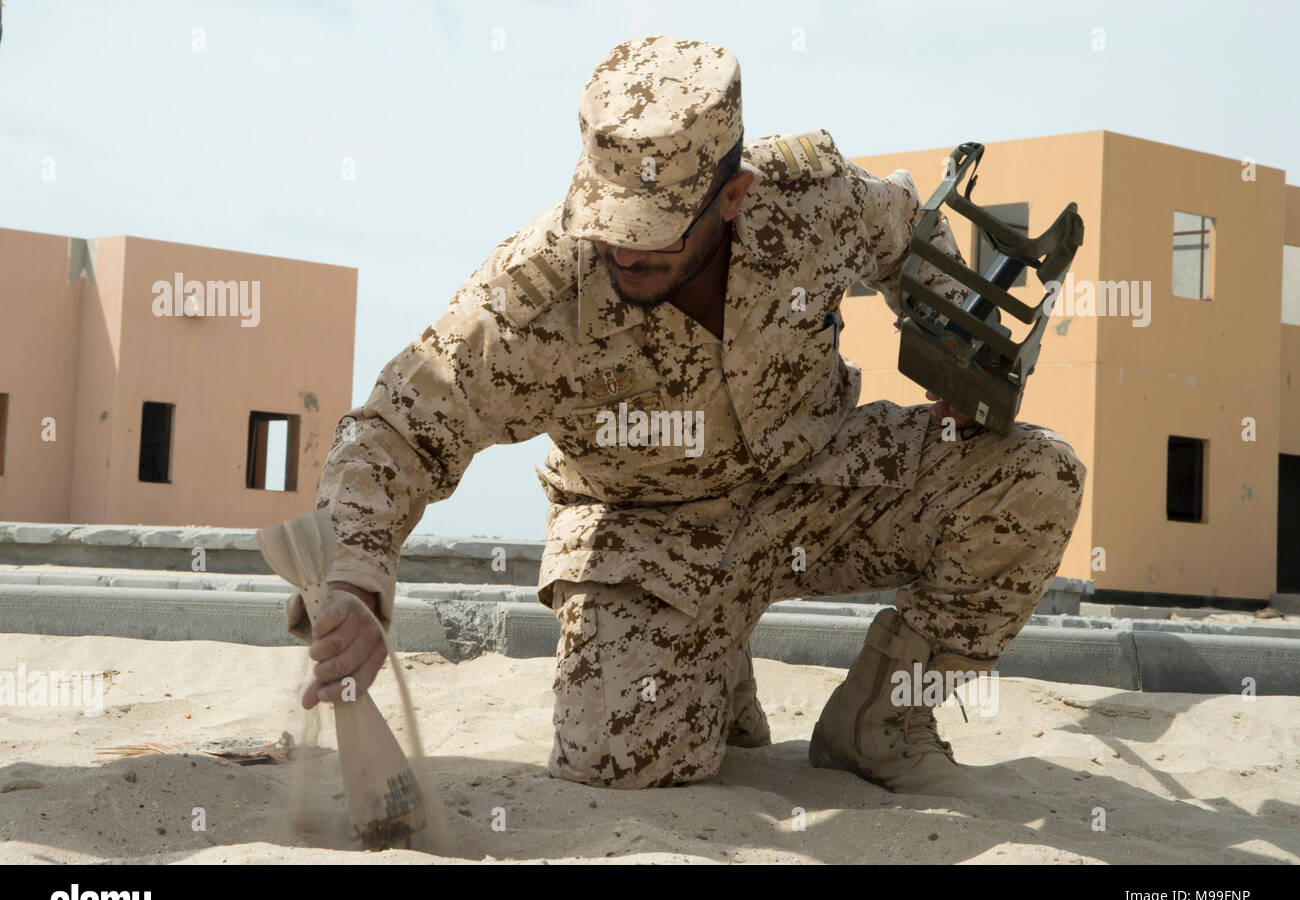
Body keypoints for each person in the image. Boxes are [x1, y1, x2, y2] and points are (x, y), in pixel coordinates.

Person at [284, 36, 1085, 797]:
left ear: (733, 196)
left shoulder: (813, 199)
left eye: (653, 232)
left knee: (1034, 476)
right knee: (622, 759)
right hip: (647, 532)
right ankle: (713, 668)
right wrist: (358, 575)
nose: (624, 253)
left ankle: (883, 720)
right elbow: (397, 425)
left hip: (823, 478)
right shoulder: (537, 290)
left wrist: (949, 335)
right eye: (610, 224)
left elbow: (907, 232)